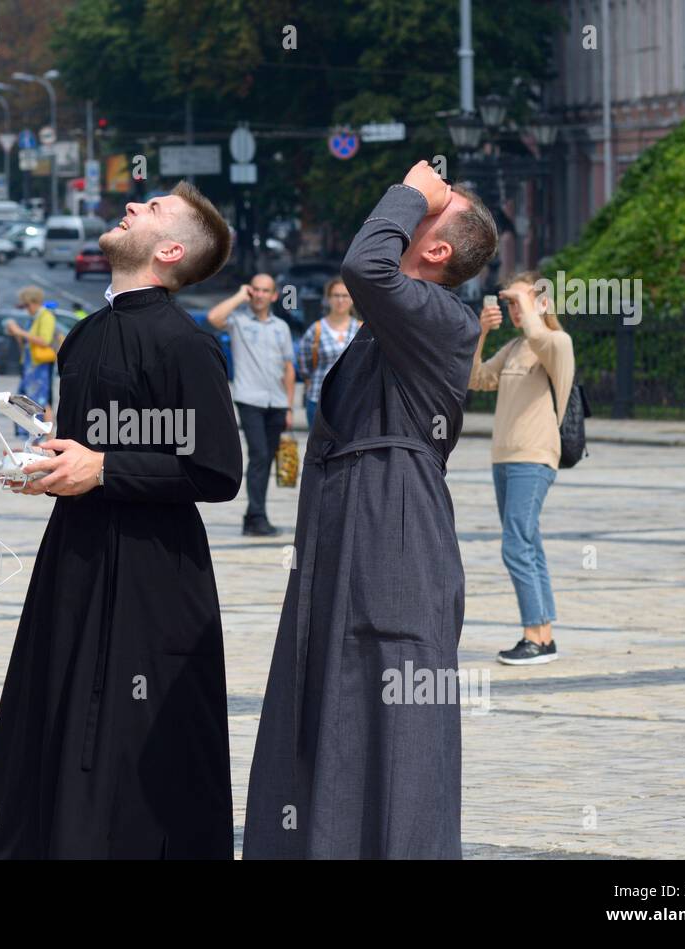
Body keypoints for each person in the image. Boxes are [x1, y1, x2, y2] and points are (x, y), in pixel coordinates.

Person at [0, 181, 243, 859]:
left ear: (170, 249)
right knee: (55, 716)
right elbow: (94, 442)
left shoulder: (185, 341)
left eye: (150, 210)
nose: (132, 208)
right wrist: (53, 462)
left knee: (132, 736)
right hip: (77, 557)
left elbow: (218, 470)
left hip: (154, 576)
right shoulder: (85, 337)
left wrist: (105, 469)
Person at [244, 161, 499, 859]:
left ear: (437, 249)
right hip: (353, 517)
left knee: (394, 708)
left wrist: (418, 188)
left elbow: (364, 264)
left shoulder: (441, 318)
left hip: (391, 528)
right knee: (330, 696)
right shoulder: (402, 322)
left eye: (421, 221)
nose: (406, 220)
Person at [469, 271, 575, 665]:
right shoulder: (515, 348)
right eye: (511, 302)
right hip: (504, 459)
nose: (514, 308)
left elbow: (540, 336)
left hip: (534, 458)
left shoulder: (557, 344)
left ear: (543, 303)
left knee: (515, 544)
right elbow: (476, 379)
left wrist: (526, 300)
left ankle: (534, 634)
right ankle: (544, 636)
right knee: (529, 544)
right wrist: (481, 333)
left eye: (521, 301)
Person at [206, 273, 296, 536]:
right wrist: (238, 296)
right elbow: (214, 318)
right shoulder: (239, 321)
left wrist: (289, 406)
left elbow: (288, 368)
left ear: (274, 296)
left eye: (265, 291)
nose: (259, 295)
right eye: (255, 290)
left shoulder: (281, 327)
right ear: (250, 292)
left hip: (277, 402)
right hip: (250, 399)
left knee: (266, 460)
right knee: (258, 456)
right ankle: (257, 516)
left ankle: (254, 516)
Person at [295, 277, 361, 428]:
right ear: (328, 299)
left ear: (352, 299)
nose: (340, 300)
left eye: (345, 296)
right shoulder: (316, 330)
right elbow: (304, 365)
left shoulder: (361, 330)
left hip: (353, 401)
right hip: (319, 399)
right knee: (320, 449)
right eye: (336, 295)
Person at [3, 286, 57, 439]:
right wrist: (16, 334)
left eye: (27, 305)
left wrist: (20, 331)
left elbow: (44, 341)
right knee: (33, 401)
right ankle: (40, 438)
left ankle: (46, 437)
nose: (26, 309)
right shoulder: (35, 317)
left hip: (39, 367)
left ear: (34, 302)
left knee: (40, 402)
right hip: (30, 367)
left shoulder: (45, 316)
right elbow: (26, 344)